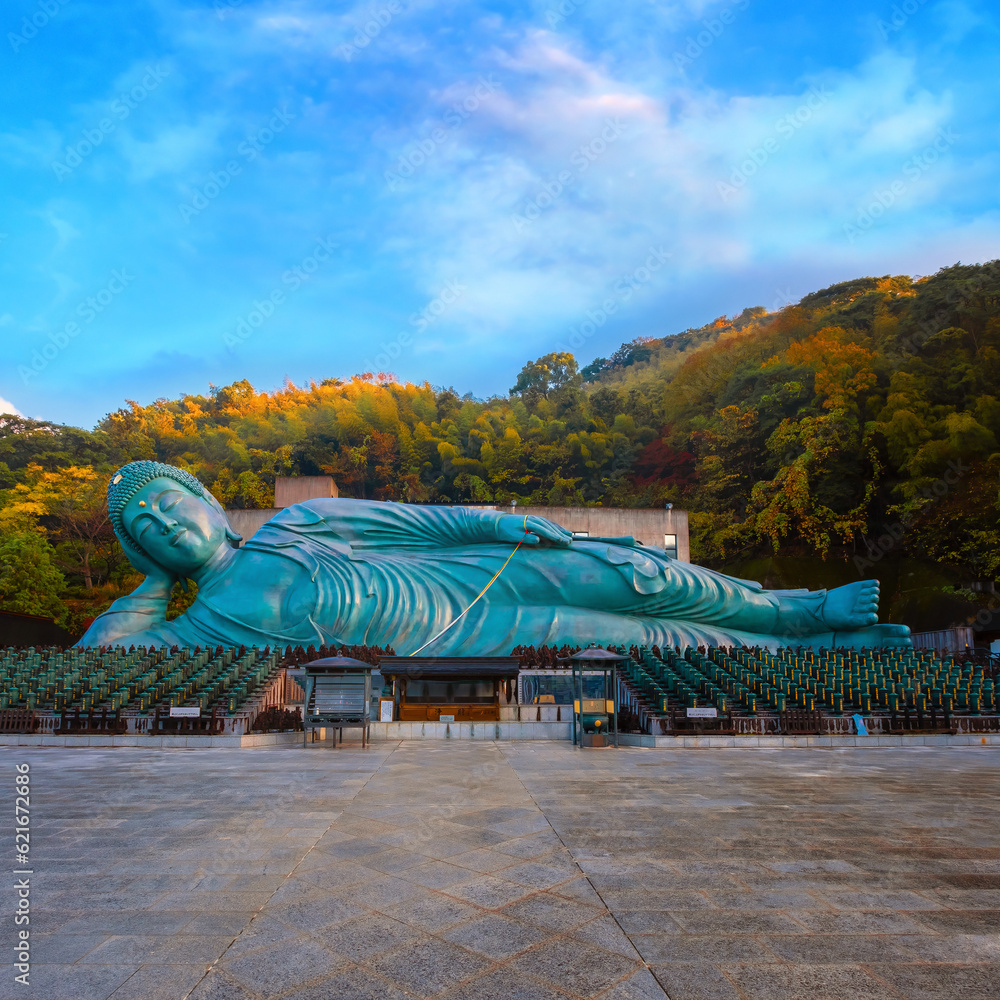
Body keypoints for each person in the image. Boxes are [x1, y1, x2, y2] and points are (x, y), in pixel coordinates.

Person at [80, 461, 911, 653]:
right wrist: (151, 587)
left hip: (468, 574)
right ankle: (811, 650)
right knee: (642, 640)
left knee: (631, 575)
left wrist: (508, 524)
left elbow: (424, 524)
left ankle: (796, 609)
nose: (162, 523)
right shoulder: (200, 626)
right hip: (463, 638)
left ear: (208, 499)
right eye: (142, 528)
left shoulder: (303, 522)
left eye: (168, 502)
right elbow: (102, 658)